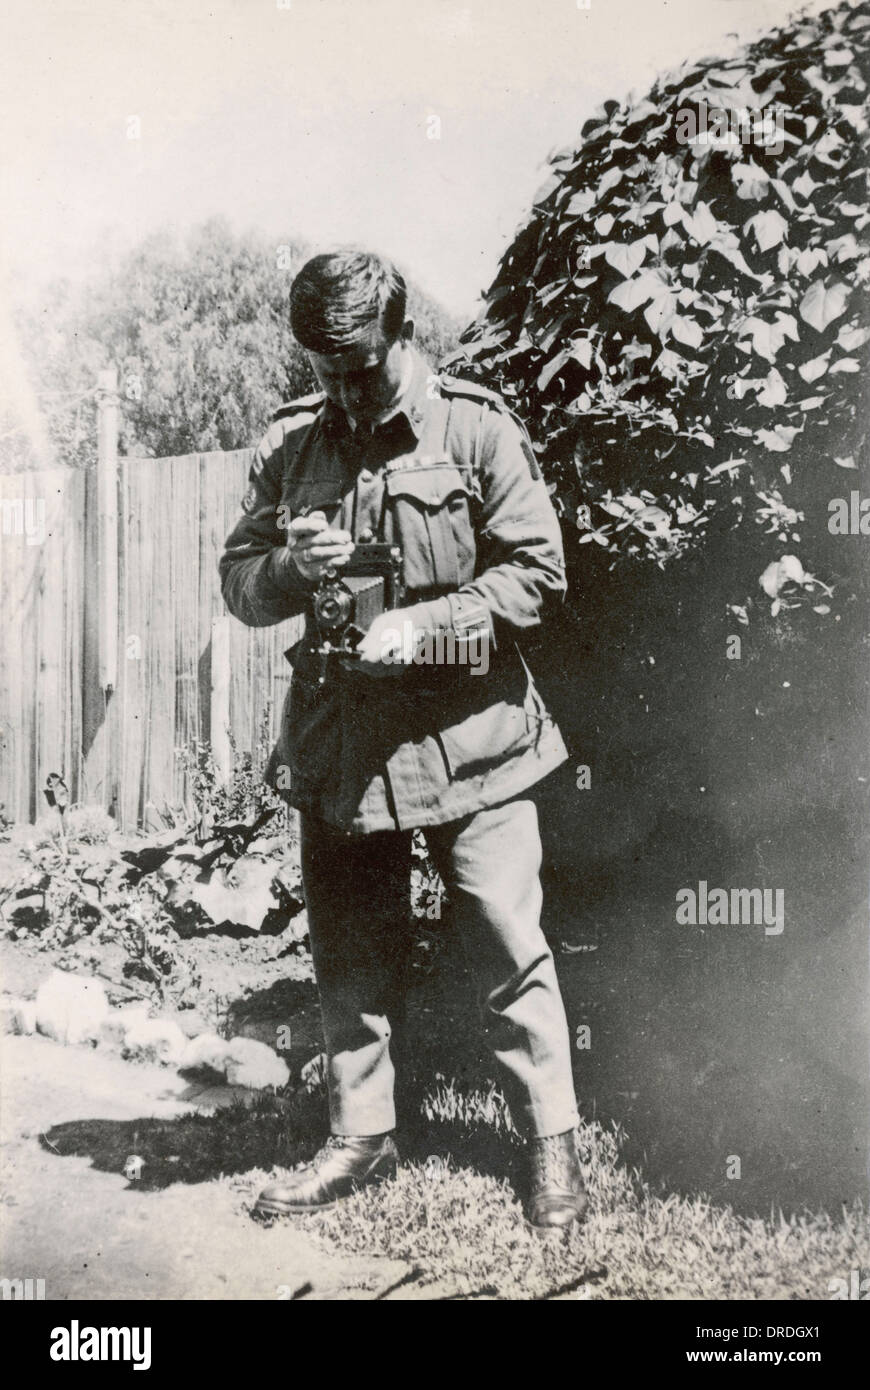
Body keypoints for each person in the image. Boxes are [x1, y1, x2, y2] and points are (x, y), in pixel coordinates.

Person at [219, 249, 586, 1229]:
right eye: (325, 371)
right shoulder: (295, 449)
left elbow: (536, 579)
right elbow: (239, 584)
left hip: (472, 736)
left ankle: (551, 1142)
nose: (343, 389)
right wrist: (291, 567)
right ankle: (361, 1136)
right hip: (344, 742)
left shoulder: (475, 428)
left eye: (361, 367)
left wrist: (429, 623)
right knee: (349, 945)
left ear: (402, 335)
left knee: (508, 942)